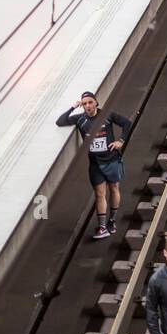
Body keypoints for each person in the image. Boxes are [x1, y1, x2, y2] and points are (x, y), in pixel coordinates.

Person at [55, 92, 132, 240]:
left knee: (114, 189)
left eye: (90, 102)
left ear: (96, 103)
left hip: (112, 160)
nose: (88, 106)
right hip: (95, 163)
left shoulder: (107, 115)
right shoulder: (80, 119)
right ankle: (102, 227)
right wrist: (73, 107)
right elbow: (60, 121)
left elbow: (127, 123)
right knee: (99, 194)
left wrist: (121, 141)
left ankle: (112, 220)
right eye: (84, 104)